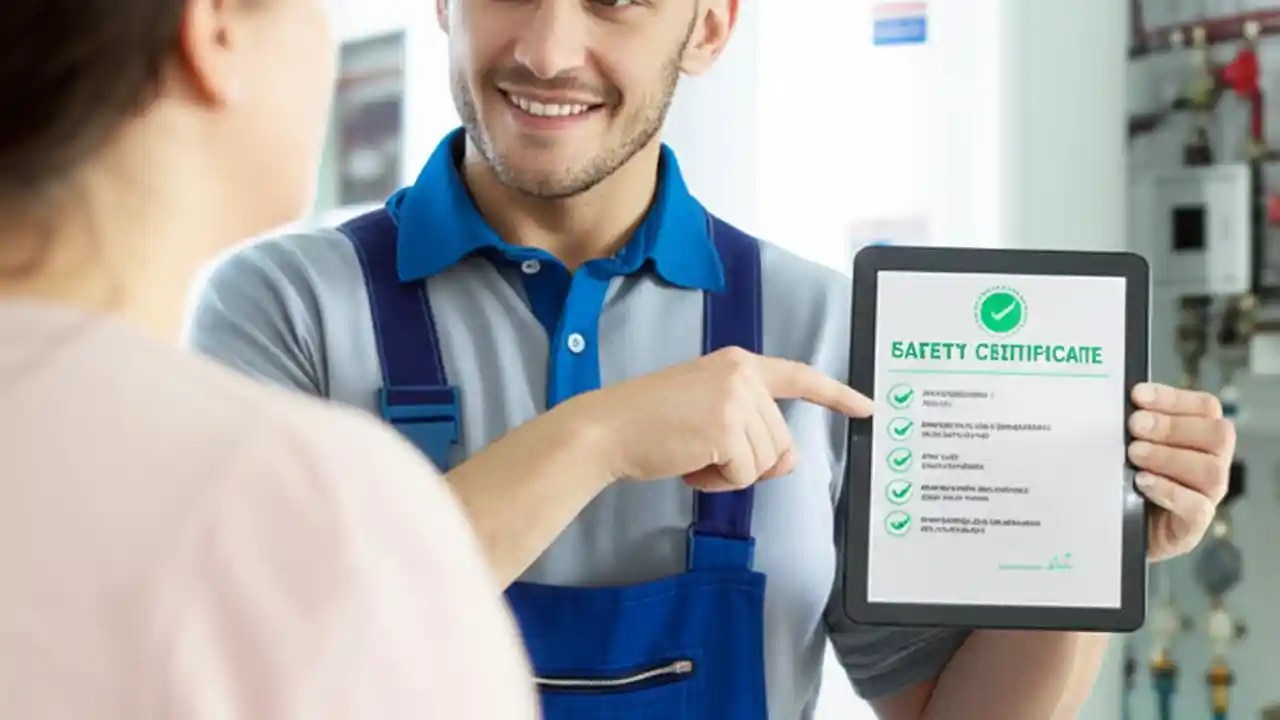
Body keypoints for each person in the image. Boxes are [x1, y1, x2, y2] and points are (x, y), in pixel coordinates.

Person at [189, 0, 1237, 718]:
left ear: (712, 23)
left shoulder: (826, 332)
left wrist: (1089, 552)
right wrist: (595, 438)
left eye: (617, 0)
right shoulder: (280, 309)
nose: (548, 50)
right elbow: (252, 659)